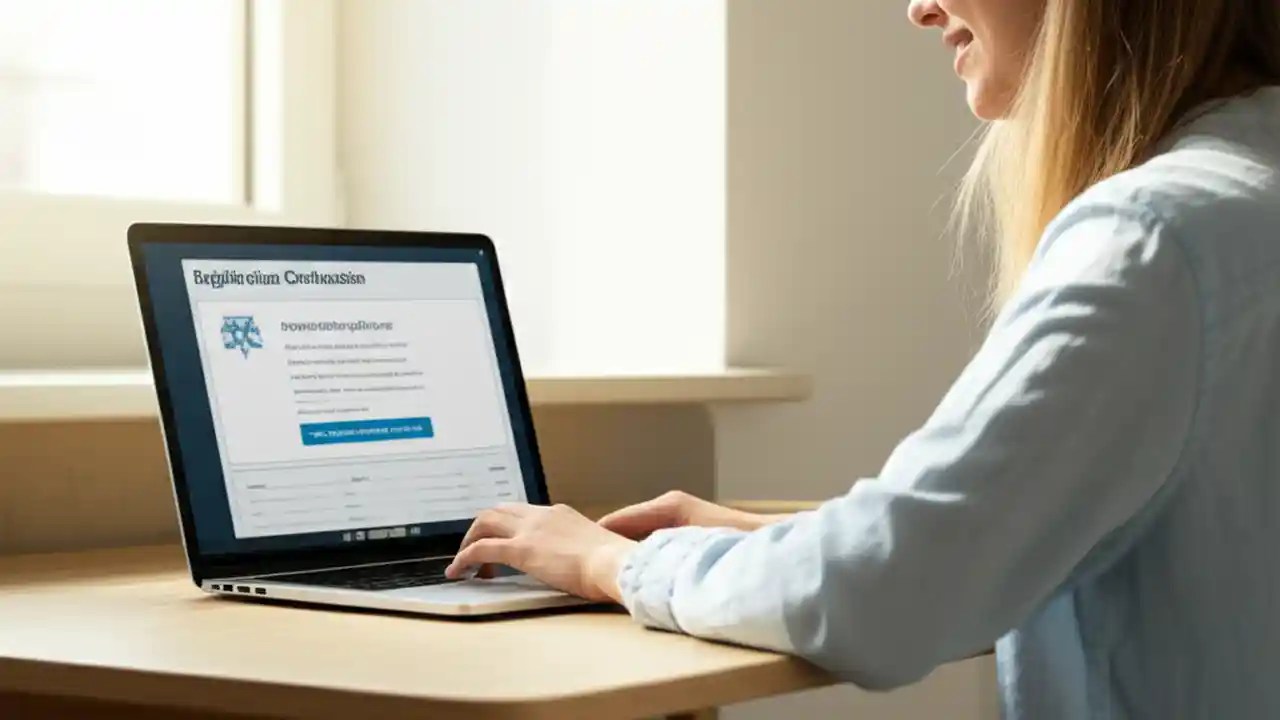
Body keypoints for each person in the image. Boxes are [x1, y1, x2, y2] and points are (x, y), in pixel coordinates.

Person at [444, 0, 1280, 716]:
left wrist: (611, 563)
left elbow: (890, 596)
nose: (918, 6)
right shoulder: (1245, 193)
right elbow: (1045, 541)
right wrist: (786, 541)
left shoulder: (1152, 238)